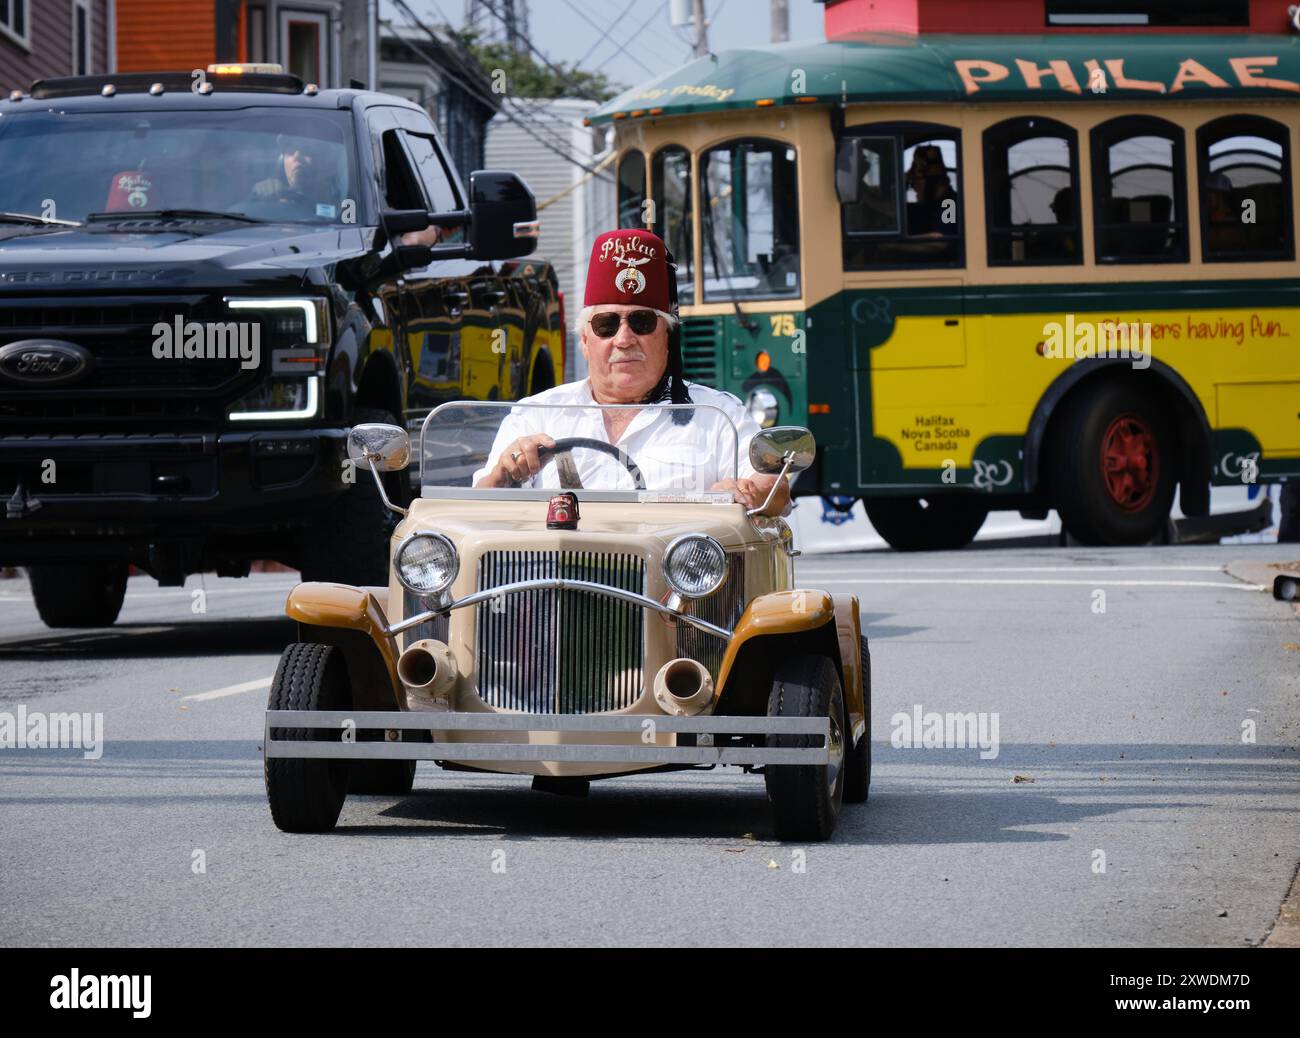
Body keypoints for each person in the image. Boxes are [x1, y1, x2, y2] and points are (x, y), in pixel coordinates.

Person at [474, 228, 790, 516]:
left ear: (667, 336)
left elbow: (774, 491)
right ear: (585, 340)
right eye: (606, 325)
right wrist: (504, 473)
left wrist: (742, 492)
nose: (624, 340)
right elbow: (474, 510)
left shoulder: (718, 414)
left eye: (642, 322)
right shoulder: (536, 415)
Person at [243, 135, 341, 220]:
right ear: (282, 162)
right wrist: (258, 196)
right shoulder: (271, 203)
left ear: (328, 164)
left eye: (307, 150)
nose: (297, 156)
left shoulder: (346, 207)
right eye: (290, 150)